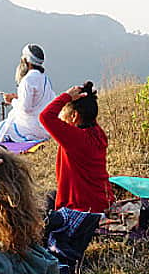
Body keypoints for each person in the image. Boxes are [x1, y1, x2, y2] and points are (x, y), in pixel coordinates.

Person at [39, 81, 113, 213]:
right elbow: (88, 114)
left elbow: (45, 117)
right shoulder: (98, 133)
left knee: (43, 201)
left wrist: (66, 96)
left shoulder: (75, 138)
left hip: (80, 209)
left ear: (74, 116)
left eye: (63, 113)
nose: (60, 117)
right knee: (50, 196)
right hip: (102, 202)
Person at [0, 44, 56, 143]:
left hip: (32, 128)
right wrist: (18, 98)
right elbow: (42, 101)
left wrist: (11, 100)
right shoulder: (45, 78)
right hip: (45, 127)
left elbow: (26, 109)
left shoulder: (28, 80)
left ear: (26, 62)